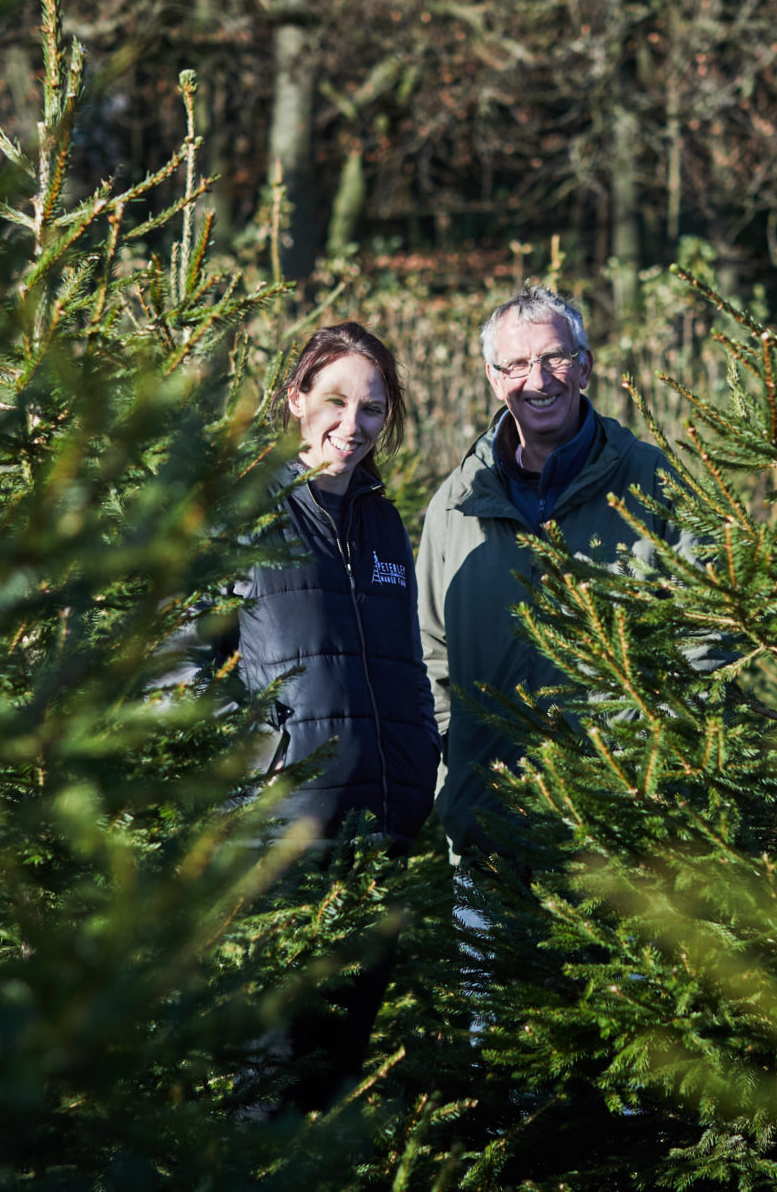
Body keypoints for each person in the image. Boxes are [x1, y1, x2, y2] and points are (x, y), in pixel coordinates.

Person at [197, 321, 439, 1109]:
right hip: (281, 842)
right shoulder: (243, 516)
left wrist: (417, 775)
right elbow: (175, 664)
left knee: (336, 1077)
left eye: (373, 409)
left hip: (382, 834)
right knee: (268, 1077)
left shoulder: (384, 525)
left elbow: (401, 664)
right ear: (296, 400)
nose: (352, 425)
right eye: (334, 400)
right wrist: (249, 772)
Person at [415, 285, 691, 861]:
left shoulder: (654, 480)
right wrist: (458, 760)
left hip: (624, 832)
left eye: (554, 358)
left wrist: (657, 753)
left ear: (585, 366)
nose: (538, 381)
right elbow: (428, 651)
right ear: (494, 379)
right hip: (488, 828)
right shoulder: (455, 503)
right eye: (515, 364)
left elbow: (712, 624)